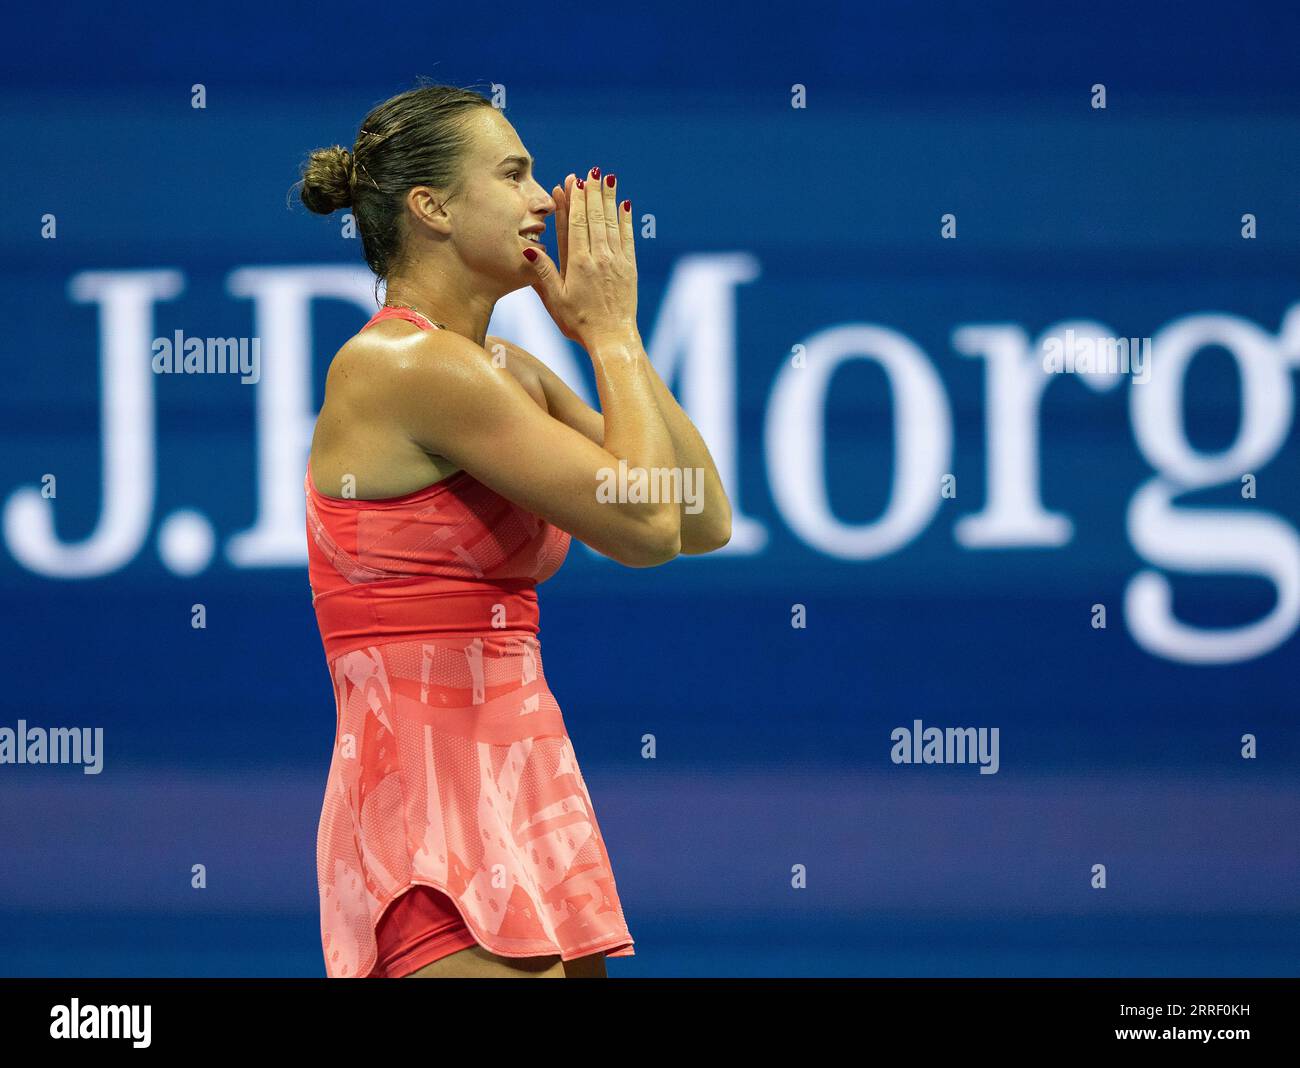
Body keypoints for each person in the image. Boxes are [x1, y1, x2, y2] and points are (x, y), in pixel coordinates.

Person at [294, 82, 733, 978]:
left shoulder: (505, 372)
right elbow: (645, 527)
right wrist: (607, 336)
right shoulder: (402, 366)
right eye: (515, 173)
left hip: (529, 791)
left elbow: (699, 516)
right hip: (422, 816)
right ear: (434, 208)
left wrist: (619, 339)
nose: (544, 200)